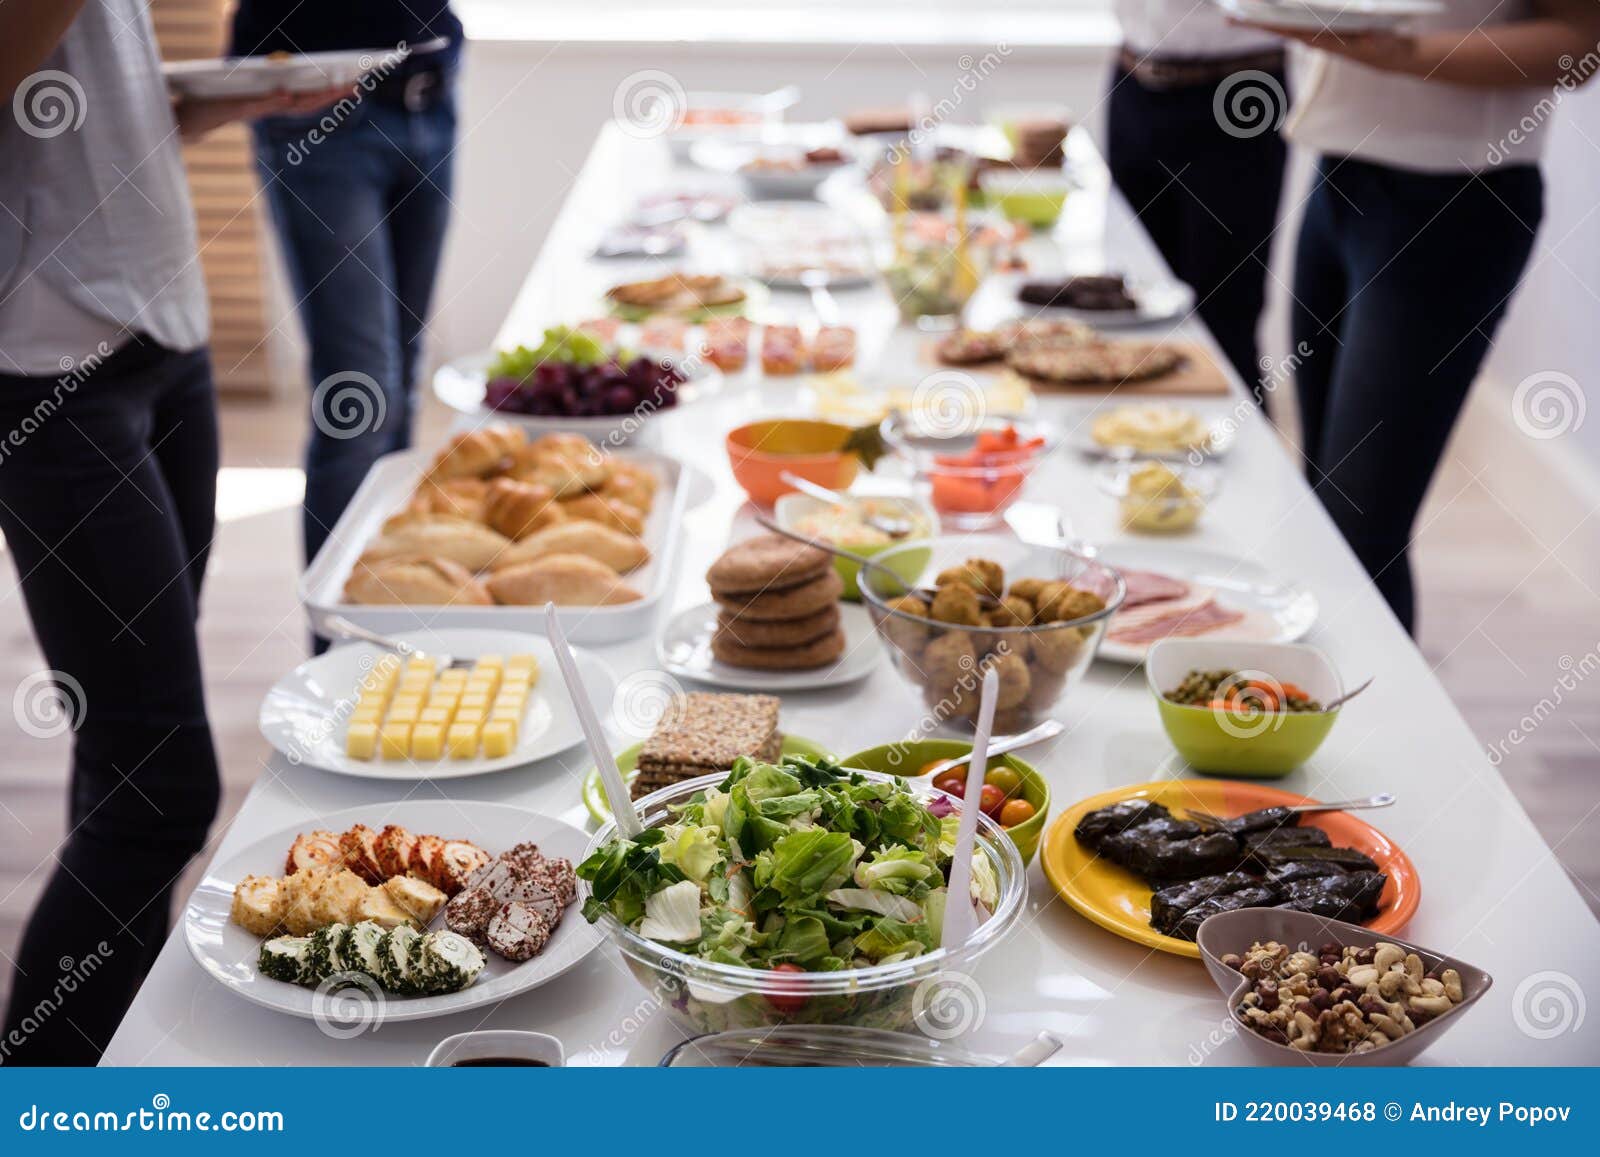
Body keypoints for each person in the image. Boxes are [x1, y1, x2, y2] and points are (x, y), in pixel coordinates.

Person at [0, 0, 342, 1065]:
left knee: (122, 746)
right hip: (49, 351)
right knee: (163, 787)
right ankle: (43, 1093)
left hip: (162, 323)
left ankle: (114, 1059)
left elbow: (50, 96)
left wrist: (180, 101)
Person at [1262, 0, 1600, 633]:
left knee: (1361, 531)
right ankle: (1314, 722)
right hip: (1339, 175)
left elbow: (1580, 44)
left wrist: (1397, 54)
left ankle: (1383, 732)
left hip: (1455, 199)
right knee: (1327, 514)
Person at [232, 3, 463, 603]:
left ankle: (392, 618)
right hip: (318, 107)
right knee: (361, 391)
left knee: (402, 378)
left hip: (427, 88)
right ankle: (337, 655)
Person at [1107, 1, 1289, 397]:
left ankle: (1244, 453)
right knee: (1129, 305)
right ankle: (1134, 448)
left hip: (1241, 89)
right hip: (1134, 76)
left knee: (1226, 317)